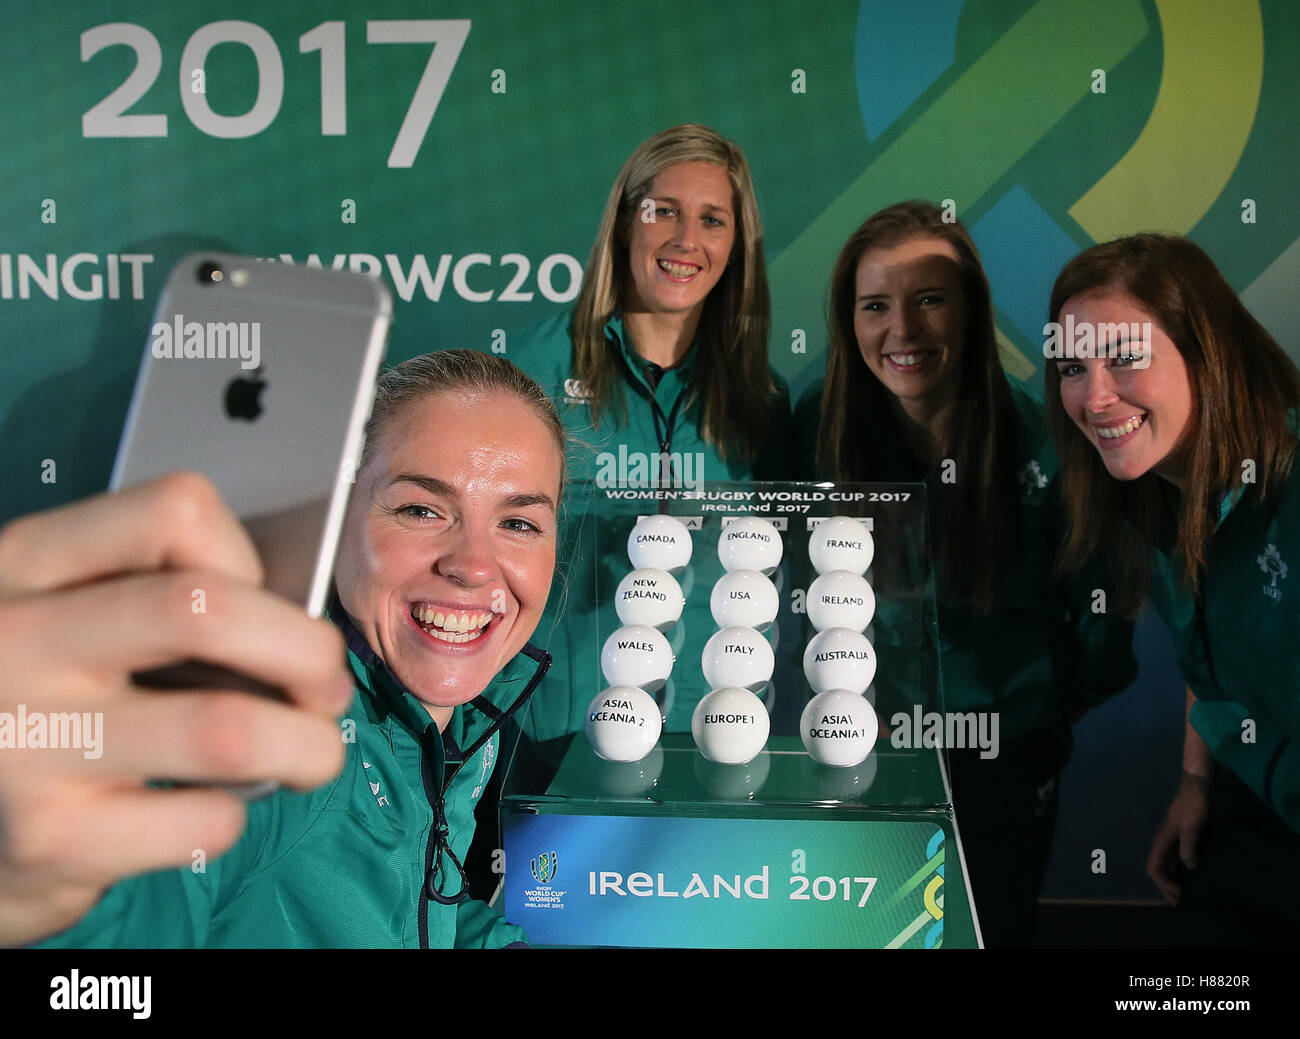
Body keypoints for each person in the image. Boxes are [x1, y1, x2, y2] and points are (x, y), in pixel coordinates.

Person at [1, 350, 565, 948]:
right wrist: (48, 904)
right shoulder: (271, 726)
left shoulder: (469, 714)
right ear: (337, 520)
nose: (474, 567)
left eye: (520, 524)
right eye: (420, 510)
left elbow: (422, 905)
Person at [796, 200, 1135, 947]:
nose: (902, 331)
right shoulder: (811, 429)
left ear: (972, 313)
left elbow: (1102, 621)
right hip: (853, 756)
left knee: (988, 931)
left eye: (928, 300)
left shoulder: (1050, 442)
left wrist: (1026, 713)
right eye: (875, 305)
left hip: (1003, 762)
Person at [1046, 233, 1300, 946]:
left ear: (1206, 350)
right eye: (1072, 366)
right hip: (1248, 810)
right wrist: (1195, 783)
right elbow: (1208, 656)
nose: (1095, 397)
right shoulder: (1151, 497)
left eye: (1125, 357)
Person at [505, 123, 793, 747]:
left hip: (711, 734)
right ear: (625, 223)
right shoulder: (533, 367)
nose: (686, 240)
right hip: (554, 735)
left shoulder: (760, 398)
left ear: (738, 245)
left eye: (713, 220)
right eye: (664, 211)